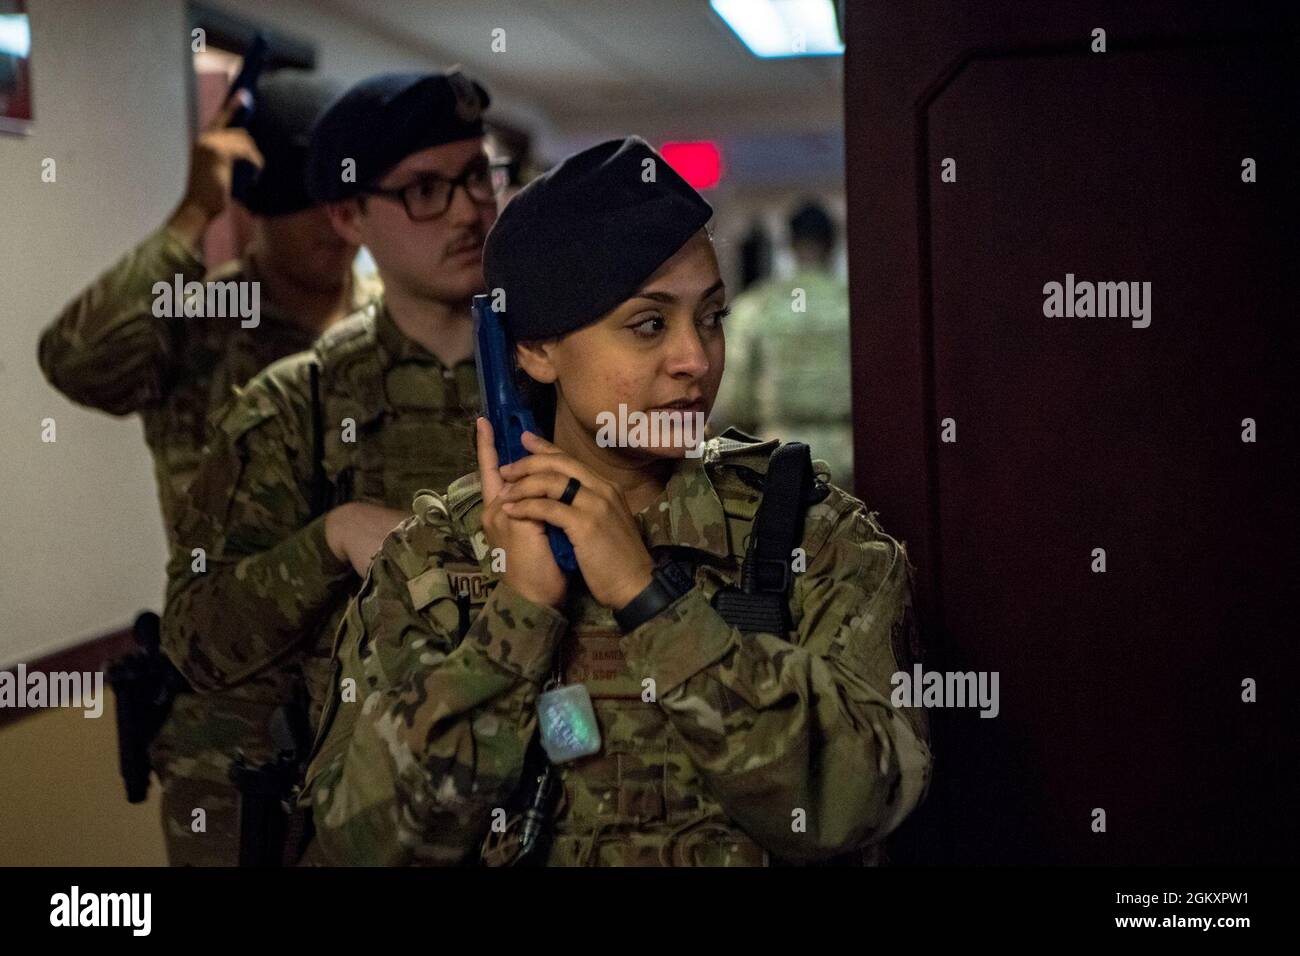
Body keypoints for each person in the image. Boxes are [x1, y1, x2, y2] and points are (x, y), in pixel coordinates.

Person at [304, 137, 932, 866]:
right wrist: (520, 612)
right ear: (535, 350)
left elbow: (856, 804)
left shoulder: (814, 536)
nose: (697, 358)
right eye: (648, 324)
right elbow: (363, 844)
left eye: (711, 316)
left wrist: (649, 598)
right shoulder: (437, 559)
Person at [37, 71, 372, 866]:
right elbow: (73, 360)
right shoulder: (199, 322)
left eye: (347, 200)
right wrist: (193, 214)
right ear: (256, 200)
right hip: (234, 732)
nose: (336, 225)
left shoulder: (397, 328)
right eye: (309, 200)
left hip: (384, 711)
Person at [160, 65, 498, 820]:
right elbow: (198, 636)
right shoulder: (294, 403)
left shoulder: (555, 377)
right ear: (348, 217)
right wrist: (330, 540)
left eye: (477, 176)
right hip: (355, 813)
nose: (468, 211)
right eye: (423, 190)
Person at [711, 201, 854, 490]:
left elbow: (733, 401)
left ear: (788, 245)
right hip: (851, 456)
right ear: (833, 244)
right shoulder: (853, 306)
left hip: (779, 456)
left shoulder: (757, 308)